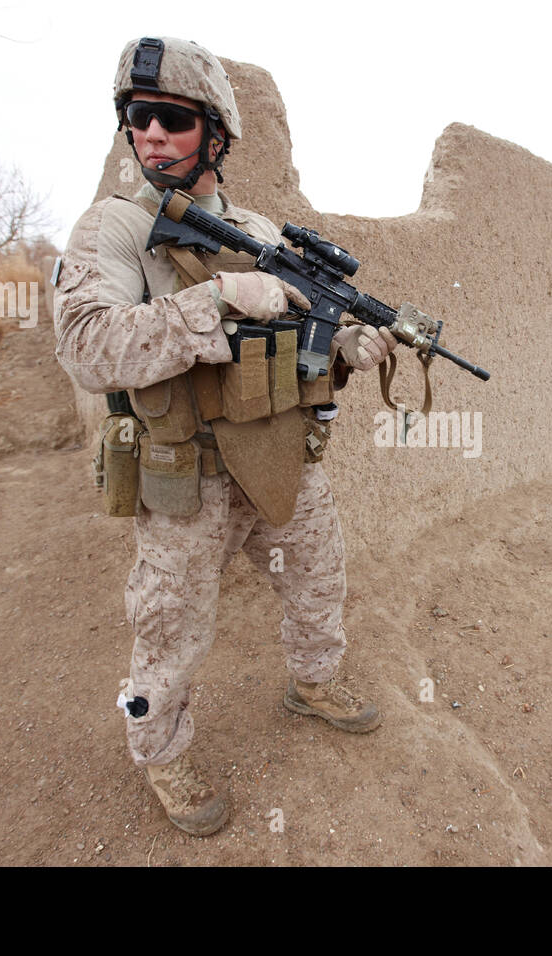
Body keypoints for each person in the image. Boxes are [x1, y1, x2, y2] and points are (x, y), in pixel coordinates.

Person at [53, 36, 398, 837]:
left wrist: (344, 353)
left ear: (216, 133)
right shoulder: (114, 229)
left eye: (172, 119)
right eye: (138, 119)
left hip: (278, 456)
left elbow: (284, 359)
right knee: (170, 627)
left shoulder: (250, 228)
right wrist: (216, 301)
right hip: (188, 475)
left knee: (319, 578)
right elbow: (87, 348)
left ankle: (313, 682)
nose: (151, 136)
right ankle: (160, 750)